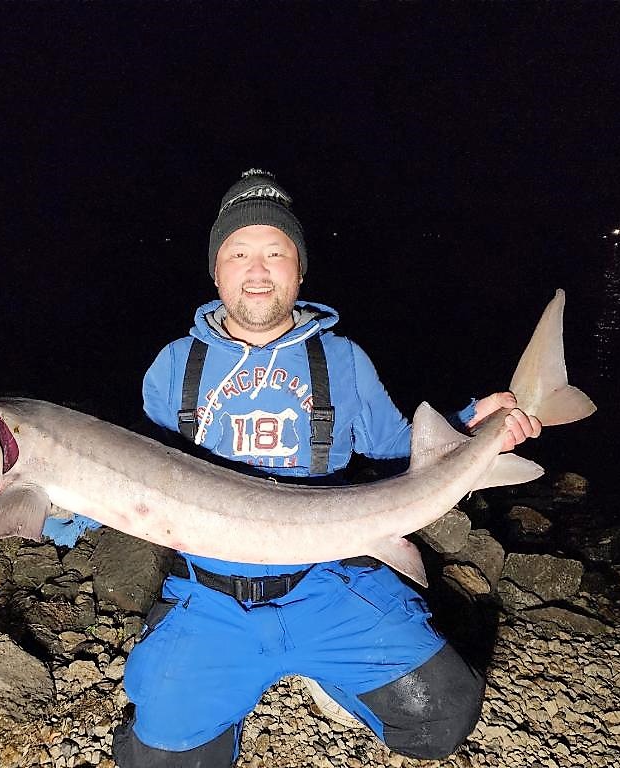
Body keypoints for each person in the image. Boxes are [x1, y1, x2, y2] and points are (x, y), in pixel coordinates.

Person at [51, 169, 541, 767]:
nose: (257, 271)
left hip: (327, 583)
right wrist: (39, 507)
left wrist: (475, 425)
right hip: (211, 601)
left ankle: (327, 676)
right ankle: (218, 701)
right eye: (238, 253)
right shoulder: (172, 367)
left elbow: (398, 448)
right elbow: (120, 480)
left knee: (442, 716)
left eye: (275, 252)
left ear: (299, 269)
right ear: (216, 270)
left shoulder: (342, 359)